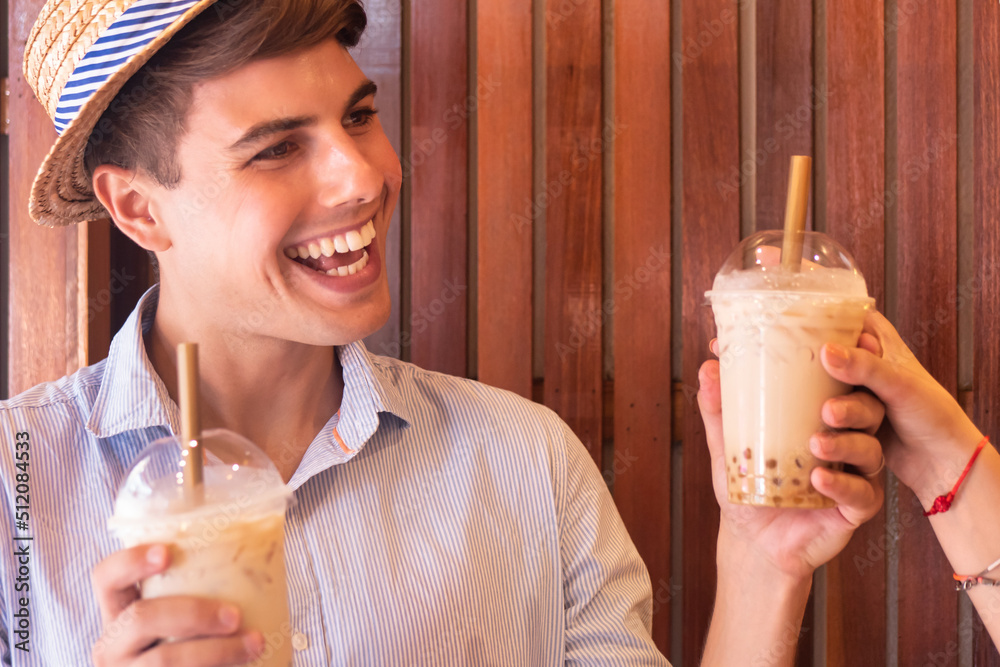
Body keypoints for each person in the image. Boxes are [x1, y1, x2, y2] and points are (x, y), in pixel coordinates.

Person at [3, 0, 883, 664]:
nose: (362, 177)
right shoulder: (16, 488)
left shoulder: (528, 461)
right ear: (138, 208)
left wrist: (763, 564)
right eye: (276, 148)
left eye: (358, 116)